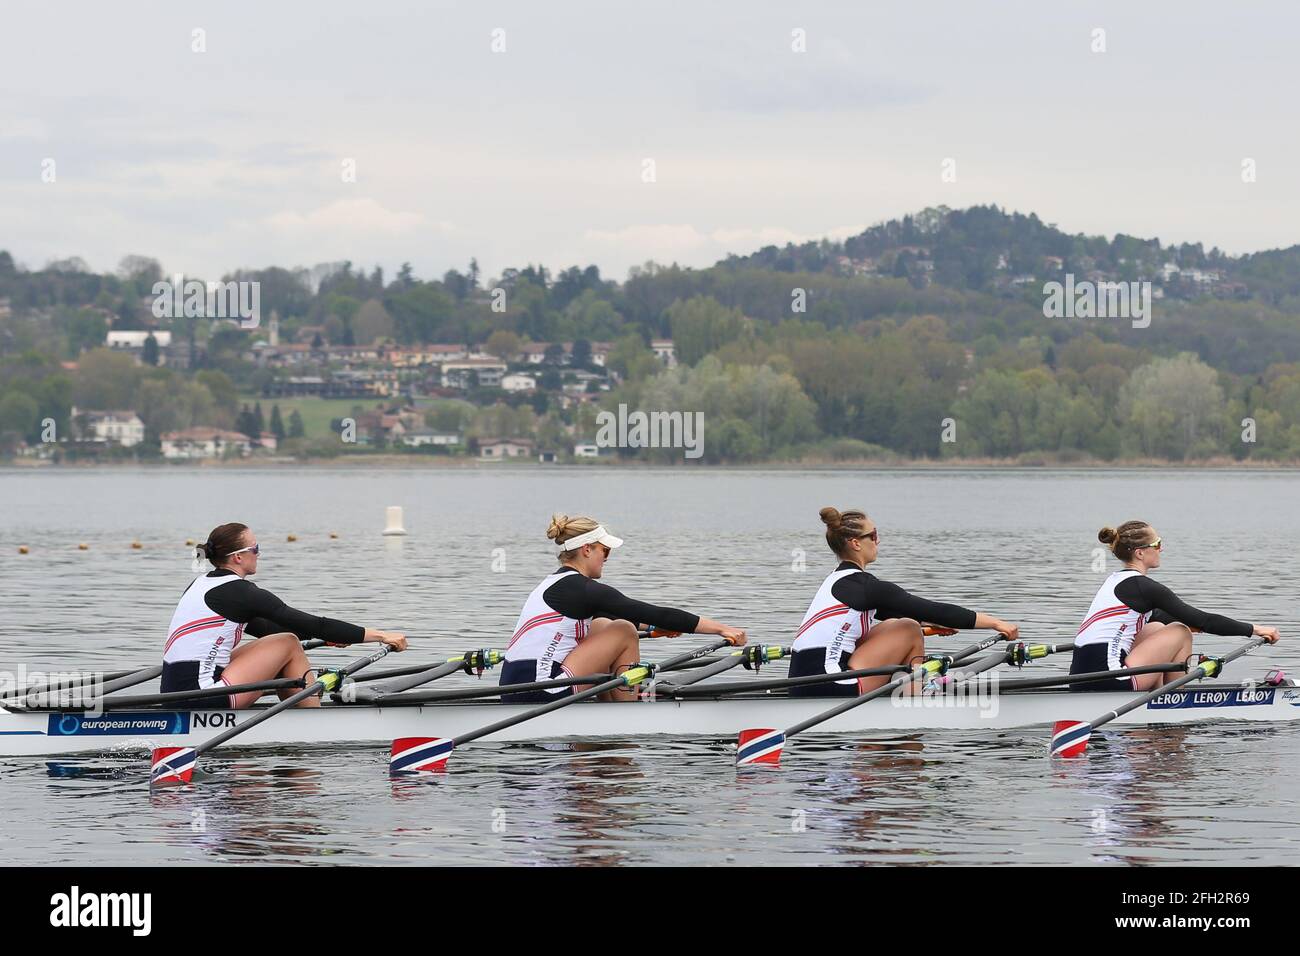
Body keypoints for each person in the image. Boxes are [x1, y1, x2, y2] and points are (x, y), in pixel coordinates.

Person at [500, 514, 746, 703]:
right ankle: (625, 710)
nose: (607, 557)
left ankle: (610, 703)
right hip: (543, 691)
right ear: (587, 549)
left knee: (602, 625)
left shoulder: (553, 584)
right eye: (604, 550)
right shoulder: (583, 588)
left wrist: (653, 628)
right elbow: (655, 613)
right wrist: (723, 629)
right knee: (624, 630)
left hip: (513, 689)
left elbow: (613, 615)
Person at [162, 522, 406, 708]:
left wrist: (333, 638)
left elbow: (269, 630)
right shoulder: (241, 592)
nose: (259, 554)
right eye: (255, 549)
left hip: (174, 692)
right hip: (203, 696)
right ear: (238, 557)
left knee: (285, 641)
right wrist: (381, 636)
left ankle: (302, 712)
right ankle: (314, 724)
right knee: (289, 644)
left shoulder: (200, 584)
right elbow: (313, 625)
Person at [789, 507, 1020, 697]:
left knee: (900, 624)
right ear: (856, 543)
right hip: (832, 685)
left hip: (800, 683)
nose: (877, 541)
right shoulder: (866, 586)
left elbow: (893, 616)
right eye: (874, 535)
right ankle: (916, 697)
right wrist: (997, 624)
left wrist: (928, 627)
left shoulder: (835, 582)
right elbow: (935, 609)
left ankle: (909, 687)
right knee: (909, 629)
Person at [1070, 520, 1279, 691]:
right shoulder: (1144, 587)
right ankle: (1175, 697)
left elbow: (1163, 616)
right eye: (1157, 544)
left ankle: (1158, 694)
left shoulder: (1115, 581)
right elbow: (1204, 620)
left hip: (1081, 676)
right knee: (1180, 631)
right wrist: (1256, 629)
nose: (1162, 548)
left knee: (1156, 628)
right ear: (1140, 553)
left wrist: (1194, 624)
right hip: (1110, 679)